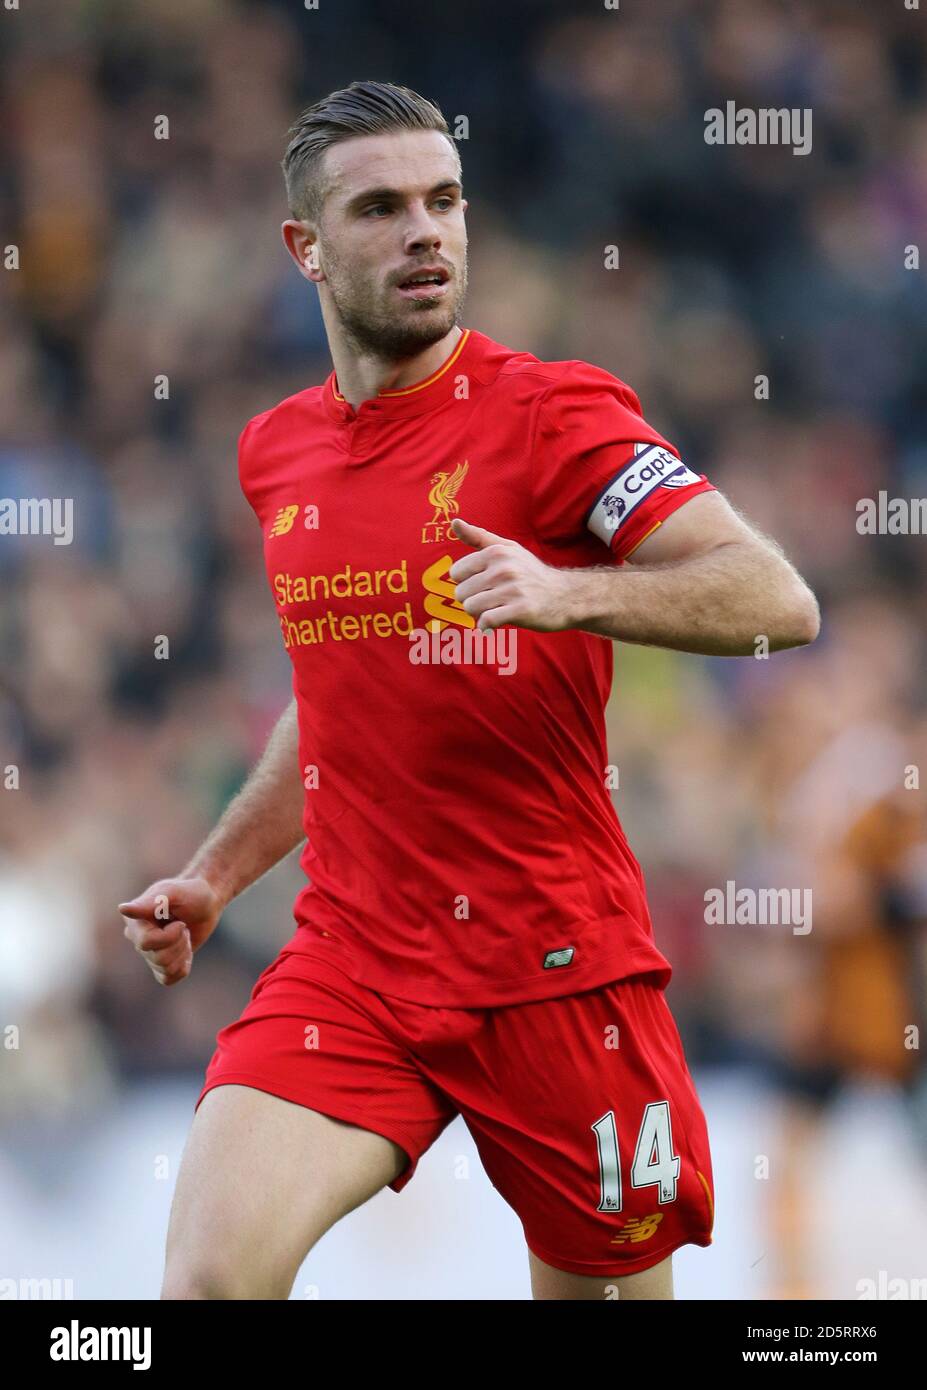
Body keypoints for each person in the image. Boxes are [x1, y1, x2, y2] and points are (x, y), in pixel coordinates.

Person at [119, 80, 820, 1301]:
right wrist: (217, 875)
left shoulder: (554, 418)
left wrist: (568, 593)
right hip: (356, 961)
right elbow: (337, 697)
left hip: (557, 972)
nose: (424, 233)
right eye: (381, 208)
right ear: (305, 248)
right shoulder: (273, 452)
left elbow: (775, 598)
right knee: (206, 1286)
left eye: (442, 202)